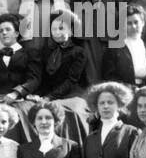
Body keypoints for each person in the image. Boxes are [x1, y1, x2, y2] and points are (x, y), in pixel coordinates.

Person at [8, 9, 90, 142]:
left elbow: (71, 81)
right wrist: (38, 95)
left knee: (66, 110)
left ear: (71, 31)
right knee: (27, 108)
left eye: (61, 28)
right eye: (54, 29)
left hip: (71, 92)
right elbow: (42, 78)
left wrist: (48, 98)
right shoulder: (47, 51)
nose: (57, 32)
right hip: (48, 93)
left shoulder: (78, 52)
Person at [0, 13, 31, 104]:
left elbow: (33, 79)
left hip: (20, 99)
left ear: (16, 33)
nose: (4, 33)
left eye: (8, 29)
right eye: (1, 31)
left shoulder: (27, 54)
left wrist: (16, 93)